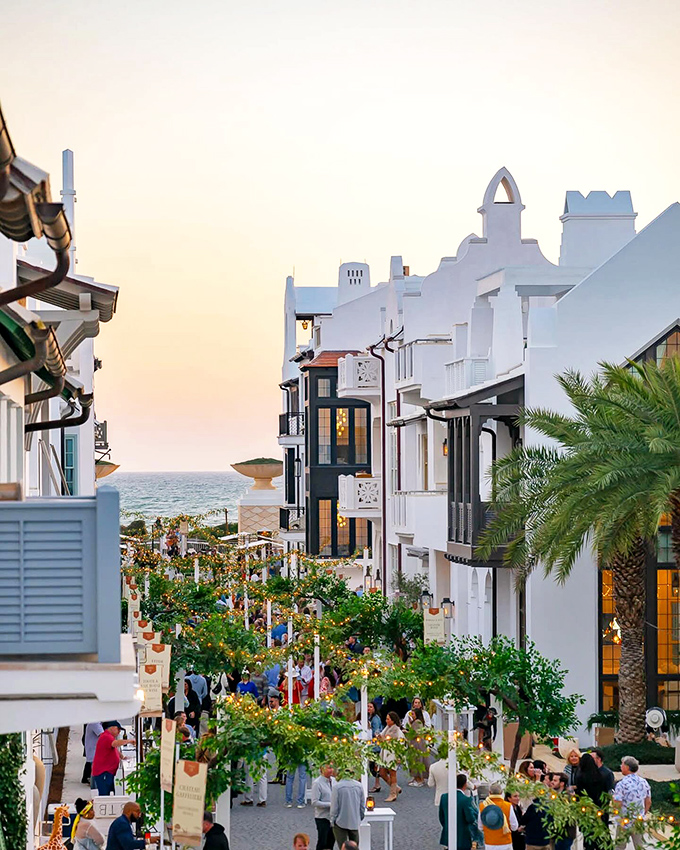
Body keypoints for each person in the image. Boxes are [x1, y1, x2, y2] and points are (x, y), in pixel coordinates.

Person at [612, 756, 651, 848]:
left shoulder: (621, 784)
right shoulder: (644, 782)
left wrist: (617, 814)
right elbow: (648, 801)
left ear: (627, 767)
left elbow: (618, 802)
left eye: (622, 764)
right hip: (638, 820)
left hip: (624, 820)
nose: (620, 766)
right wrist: (643, 813)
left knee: (620, 846)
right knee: (639, 846)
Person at [575, 753, 610, 850]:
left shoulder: (580, 776)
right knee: (602, 832)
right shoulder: (600, 776)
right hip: (600, 807)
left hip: (586, 809)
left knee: (588, 834)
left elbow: (579, 793)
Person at [92, 722, 133, 797]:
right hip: (103, 772)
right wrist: (129, 741)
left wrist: (122, 757)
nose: (119, 731)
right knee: (105, 795)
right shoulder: (106, 736)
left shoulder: (108, 737)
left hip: (108, 772)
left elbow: (114, 748)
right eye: (118, 729)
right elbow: (115, 743)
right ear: (111, 727)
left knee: (110, 793)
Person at [330, 770, 365, 848]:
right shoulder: (359, 786)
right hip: (354, 821)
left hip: (340, 821)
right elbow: (362, 805)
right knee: (355, 846)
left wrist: (333, 820)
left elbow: (334, 807)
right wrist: (360, 817)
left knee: (342, 846)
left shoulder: (337, 787)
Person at [478, 782, 518, 850]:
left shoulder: (483, 806)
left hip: (490, 843)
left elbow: (480, 827)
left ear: (489, 792)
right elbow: (515, 826)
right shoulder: (508, 806)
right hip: (505, 843)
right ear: (501, 792)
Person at [311, 765, 336, 850]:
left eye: (332, 767)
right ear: (322, 769)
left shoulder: (334, 781)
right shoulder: (317, 783)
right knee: (322, 842)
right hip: (322, 817)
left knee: (331, 842)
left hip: (333, 817)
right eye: (329, 768)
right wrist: (330, 804)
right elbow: (314, 802)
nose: (331, 770)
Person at [550, 773, 576, 850]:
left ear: (562, 783)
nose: (552, 782)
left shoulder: (567, 797)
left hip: (565, 832)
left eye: (555, 780)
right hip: (556, 832)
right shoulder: (554, 795)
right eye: (552, 780)